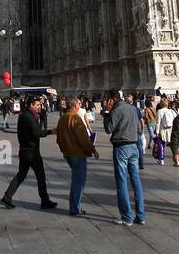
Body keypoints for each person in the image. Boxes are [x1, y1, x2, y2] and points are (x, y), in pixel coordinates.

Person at [0, 95, 57, 210]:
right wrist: (51, 131)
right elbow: (36, 133)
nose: (39, 107)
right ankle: (45, 200)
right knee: (40, 176)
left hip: (24, 150)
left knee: (21, 175)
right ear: (31, 105)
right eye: (37, 105)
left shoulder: (24, 116)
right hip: (32, 152)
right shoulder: (30, 118)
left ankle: (7, 197)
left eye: (39, 105)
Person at [105, 92, 146, 227]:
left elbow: (108, 129)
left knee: (121, 182)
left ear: (113, 99)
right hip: (134, 147)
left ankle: (127, 217)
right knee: (136, 182)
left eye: (107, 100)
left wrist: (107, 112)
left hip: (121, 148)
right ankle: (140, 216)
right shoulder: (133, 108)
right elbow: (140, 129)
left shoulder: (117, 110)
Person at [55, 97, 98, 216]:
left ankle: (75, 206)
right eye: (79, 103)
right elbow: (83, 138)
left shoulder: (63, 118)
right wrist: (93, 150)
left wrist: (64, 149)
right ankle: (75, 208)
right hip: (77, 154)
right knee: (79, 182)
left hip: (68, 153)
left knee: (75, 180)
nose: (80, 104)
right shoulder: (75, 118)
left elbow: (59, 137)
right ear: (75, 105)